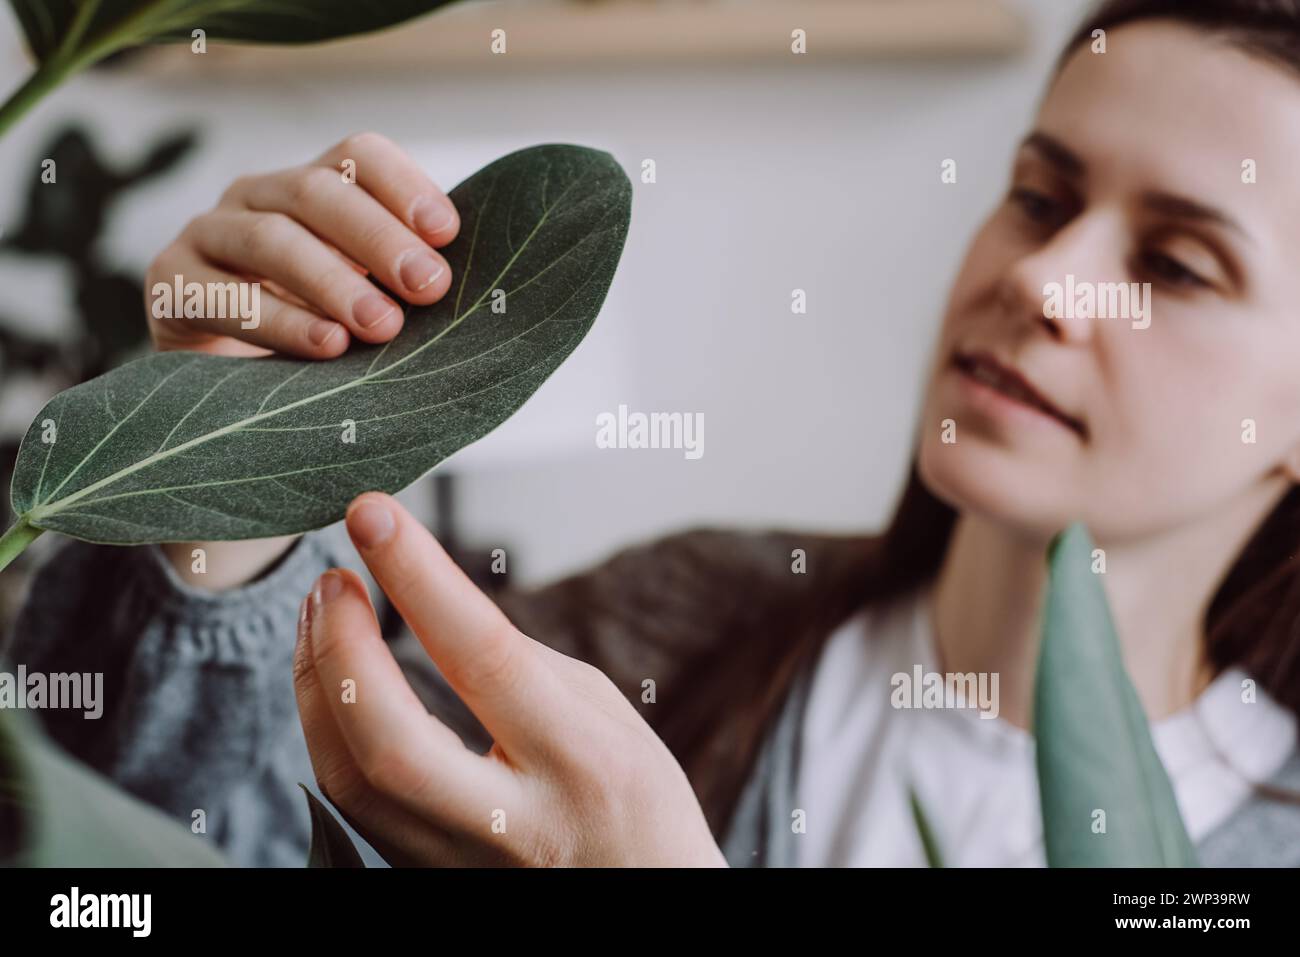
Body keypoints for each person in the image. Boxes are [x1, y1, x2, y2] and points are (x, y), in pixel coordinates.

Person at [7, 0, 1300, 866]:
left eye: (1179, 265)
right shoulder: (674, 621)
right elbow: (149, 854)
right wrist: (218, 484)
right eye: (1036, 196)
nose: (1046, 281)